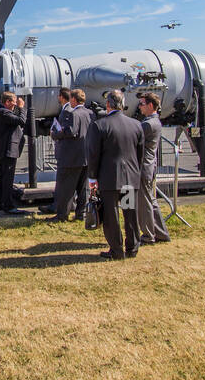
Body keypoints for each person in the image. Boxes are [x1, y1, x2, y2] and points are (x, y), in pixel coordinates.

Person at [85, 90, 143, 260]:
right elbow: (139, 153)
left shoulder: (100, 125)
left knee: (112, 215)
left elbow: (93, 154)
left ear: (108, 104)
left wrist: (92, 177)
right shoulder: (136, 124)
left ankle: (116, 249)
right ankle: (132, 247)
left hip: (110, 178)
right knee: (130, 213)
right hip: (130, 178)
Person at [47, 88, 91, 222]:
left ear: (73, 99)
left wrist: (55, 134)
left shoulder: (74, 114)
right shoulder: (90, 113)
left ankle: (62, 215)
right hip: (85, 156)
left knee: (66, 188)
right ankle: (81, 213)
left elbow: (70, 131)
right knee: (83, 188)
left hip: (71, 156)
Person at [137, 92, 171, 245]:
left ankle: (148, 234)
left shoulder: (148, 124)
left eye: (142, 104)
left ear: (151, 105)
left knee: (144, 203)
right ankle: (160, 232)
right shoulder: (154, 122)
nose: (139, 107)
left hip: (143, 166)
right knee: (151, 200)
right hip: (149, 165)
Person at [0, 92, 27, 215]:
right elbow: (21, 120)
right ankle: (8, 205)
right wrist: (22, 108)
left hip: (2, 151)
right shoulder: (3, 113)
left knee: (1, 178)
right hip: (7, 151)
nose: (16, 104)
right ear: (7, 102)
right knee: (7, 179)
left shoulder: (1, 112)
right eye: (14, 102)